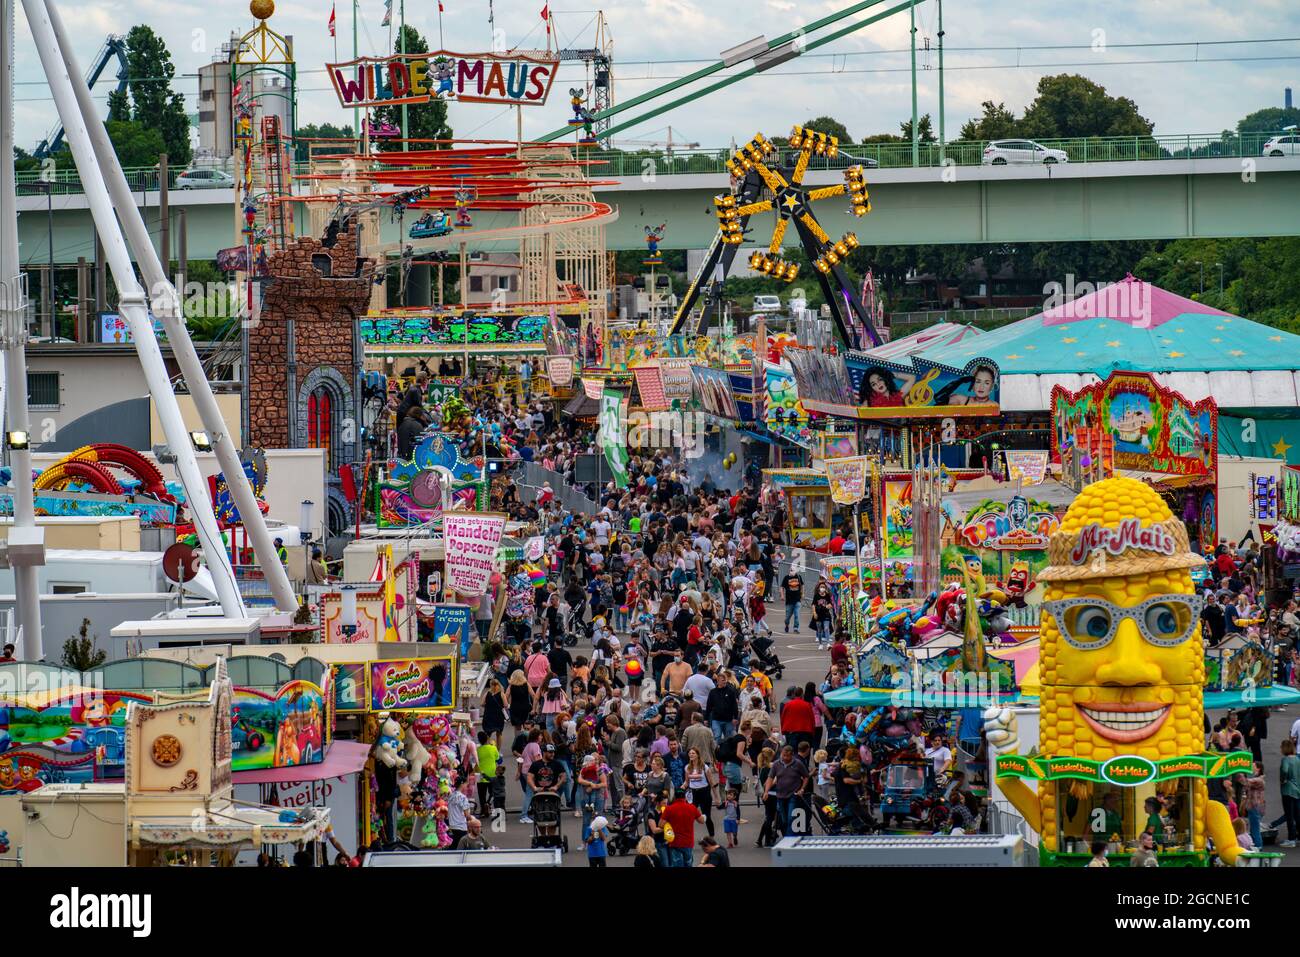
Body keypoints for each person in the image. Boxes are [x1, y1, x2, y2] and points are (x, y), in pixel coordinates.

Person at [764, 744, 811, 837]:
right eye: (783, 755)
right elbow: (770, 778)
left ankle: (789, 839)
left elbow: (806, 776)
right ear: (781, 754)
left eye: (787, 756)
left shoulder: (798, 764)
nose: (785, 758)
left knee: (791, 818)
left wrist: (802, 789)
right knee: (784, 819)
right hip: (780, 795)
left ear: (792, 755)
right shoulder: (776, 764)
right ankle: (787, 836)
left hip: (793, 795)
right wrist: (766, 791)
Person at [660, 793, 706, 867]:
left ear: (674, 797)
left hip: (675, 842)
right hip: (688, 842)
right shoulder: (692, 807)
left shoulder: (669, 809)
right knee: (688, 863)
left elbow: (661, 825)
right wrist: (704, 816)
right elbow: (702, 821)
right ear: (685, 797)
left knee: (677, 864)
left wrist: (669, 820)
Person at [1279, 738, 1300, 847]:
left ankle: (1291, 838)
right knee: (1297, 814)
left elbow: (1285, 770)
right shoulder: (1297, 759)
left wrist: (1283, 779)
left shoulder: (1285, 760)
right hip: (1297, 789)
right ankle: (1298, 836)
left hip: (1288, 790)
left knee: (1289, 815)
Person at [475, 730, 500, 815]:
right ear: (487, 739)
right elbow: (498, 758)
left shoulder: (477, 750)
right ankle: (488, 803)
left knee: (481, 794)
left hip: (481, 775)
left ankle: (483, 808)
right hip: (492, 773)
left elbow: (475, 760)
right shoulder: (493, 748)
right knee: (493, 792)